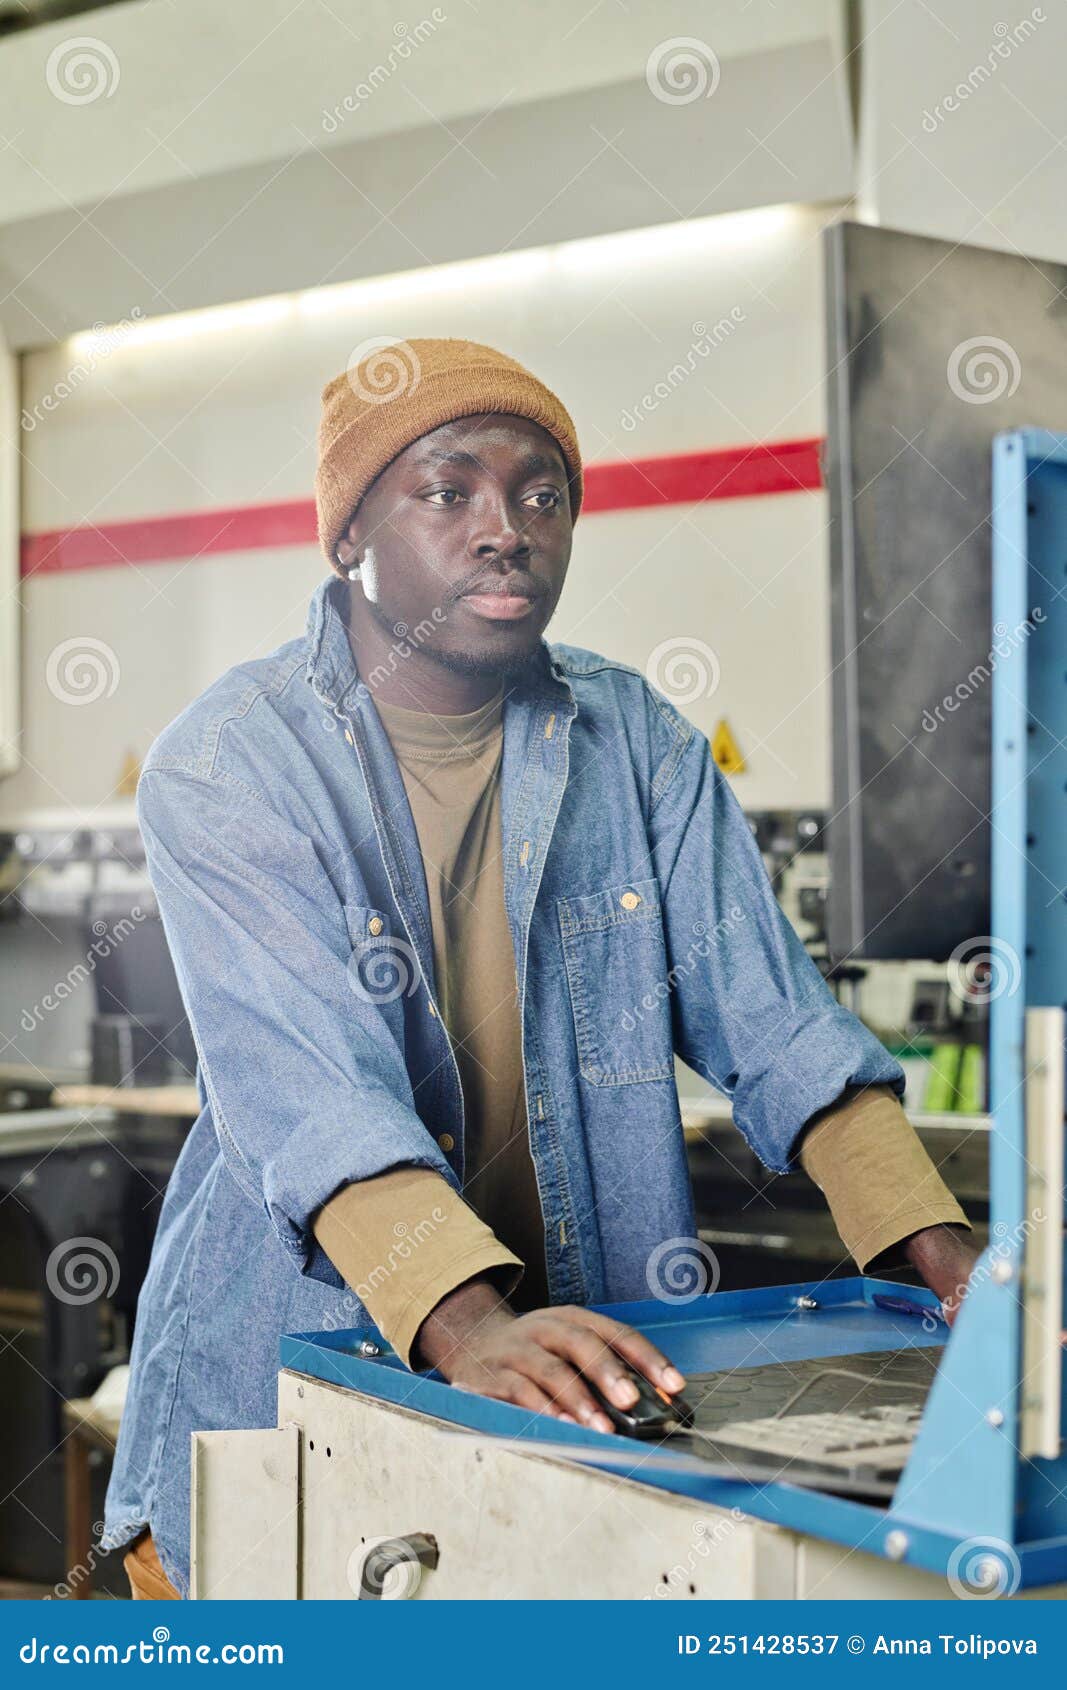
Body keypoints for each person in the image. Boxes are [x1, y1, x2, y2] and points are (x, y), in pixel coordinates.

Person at [106, 338, 974, 1598]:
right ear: (350, 533)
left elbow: (779, 1025)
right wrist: (471, 1327)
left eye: (541, 494)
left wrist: (938, 1250)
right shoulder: (229, 762)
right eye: (447, 491)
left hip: (561, 1384)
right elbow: (314, 1097)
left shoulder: (638, 741)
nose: (505, 529)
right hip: (289, 1398)